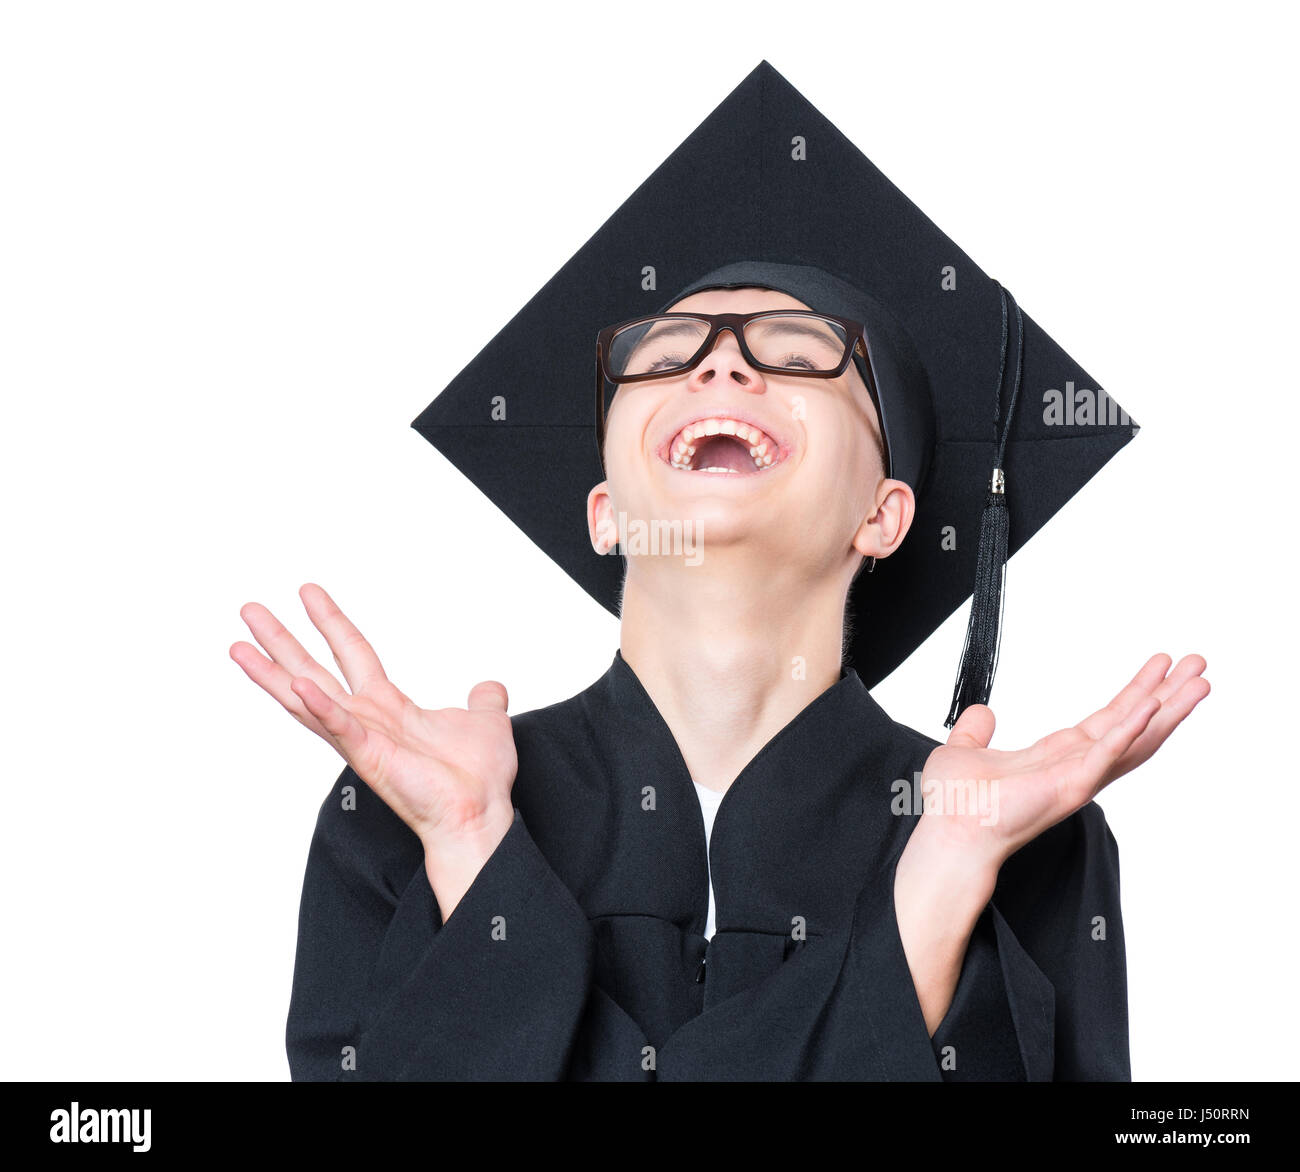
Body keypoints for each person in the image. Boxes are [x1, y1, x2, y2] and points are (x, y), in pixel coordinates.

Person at [231, 62, 1210, 1080]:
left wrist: (952, 866)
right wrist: (475, 845)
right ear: (605, 513)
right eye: (666, 354)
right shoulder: (410, 807)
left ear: (884, 516)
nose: (719, 365)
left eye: (796, 352)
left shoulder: (1024, 841)